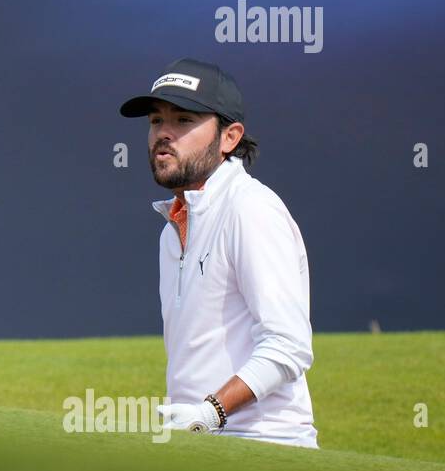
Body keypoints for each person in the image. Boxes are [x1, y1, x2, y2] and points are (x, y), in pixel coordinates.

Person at [119, 58, 318, 448]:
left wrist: (210, 412)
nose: (164, 134)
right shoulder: (172, 228)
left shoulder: (250, 209)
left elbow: (289, 346)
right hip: (204, 447)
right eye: (157, 120)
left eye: (183, 120)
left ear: (229, 137)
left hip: (269, 450)